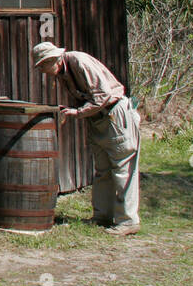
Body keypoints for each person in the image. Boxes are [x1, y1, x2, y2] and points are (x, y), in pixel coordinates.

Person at [31, 41, 141, 235]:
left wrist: (77, 112)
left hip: (115, 115)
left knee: (123, 169)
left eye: (42, 66)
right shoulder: (63, 73)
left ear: (52, 60)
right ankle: (102, 217)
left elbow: (103, 95)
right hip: (98, 120)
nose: (42, 70)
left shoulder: (79, 61)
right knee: (102, 170)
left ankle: (127, 221)